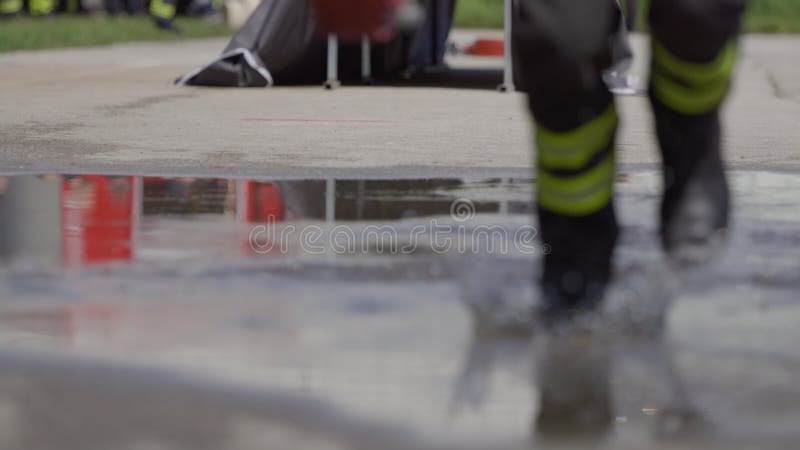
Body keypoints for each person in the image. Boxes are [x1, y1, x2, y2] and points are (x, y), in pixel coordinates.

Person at [512, 0, 745, 324]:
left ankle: (690, 138)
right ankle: (577, 220)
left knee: (697, 14)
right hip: (574, 206)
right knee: (560, 45)